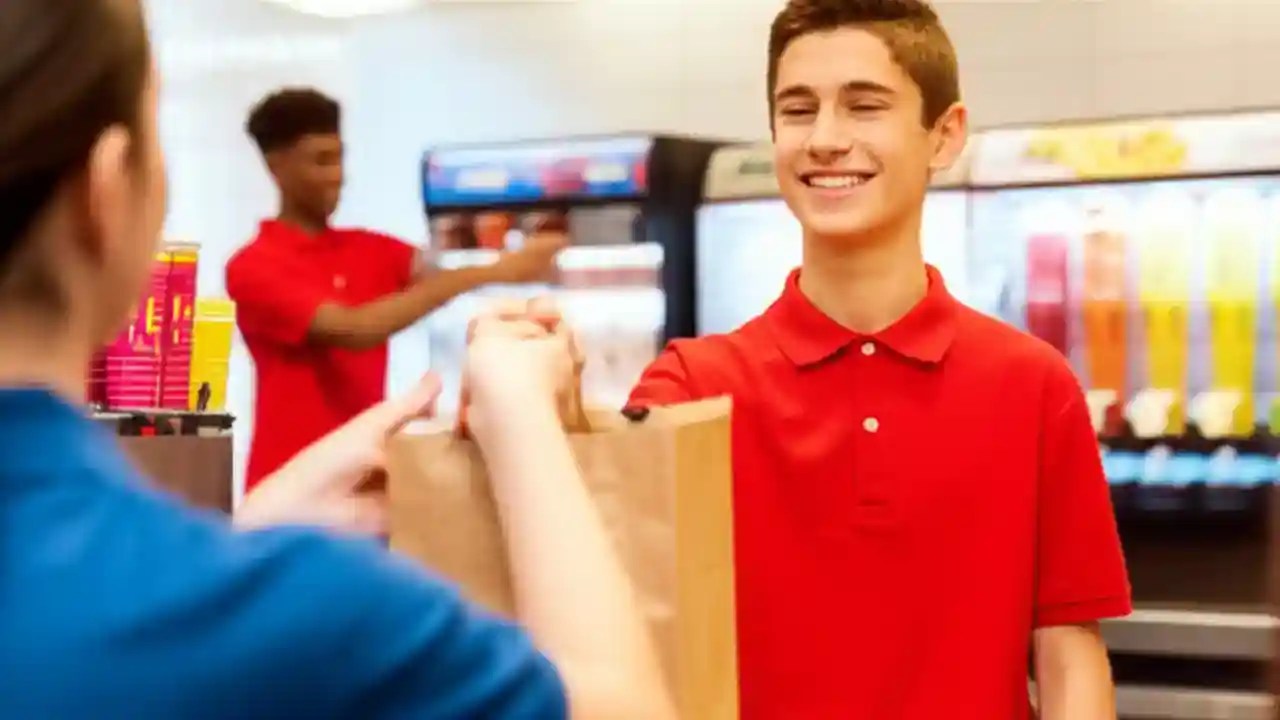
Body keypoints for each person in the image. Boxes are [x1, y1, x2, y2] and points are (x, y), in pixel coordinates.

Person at [0, 1, 673, 718]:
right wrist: (521, 414)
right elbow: (353, 327)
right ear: (103, 193)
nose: (338, 173)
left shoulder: (199, 597)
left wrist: (248, 534)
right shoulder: (307, 611)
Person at [626, 1, 1130, 718]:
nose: (826, 139)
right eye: (798, 111)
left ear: (944, 135)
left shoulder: (1033, 385)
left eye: (864, 106)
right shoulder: (691, 387)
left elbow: (1068, 650)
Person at [226, 87, 566, 494]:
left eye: (339, 157)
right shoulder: (253, 267)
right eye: (320, 160)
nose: (337, 174)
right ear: (276, 166)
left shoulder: (369, 249)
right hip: (289, 490)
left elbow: (441, 266)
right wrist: (492, 272)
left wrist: (525, 237)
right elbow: (355, 330)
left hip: (368, 482)